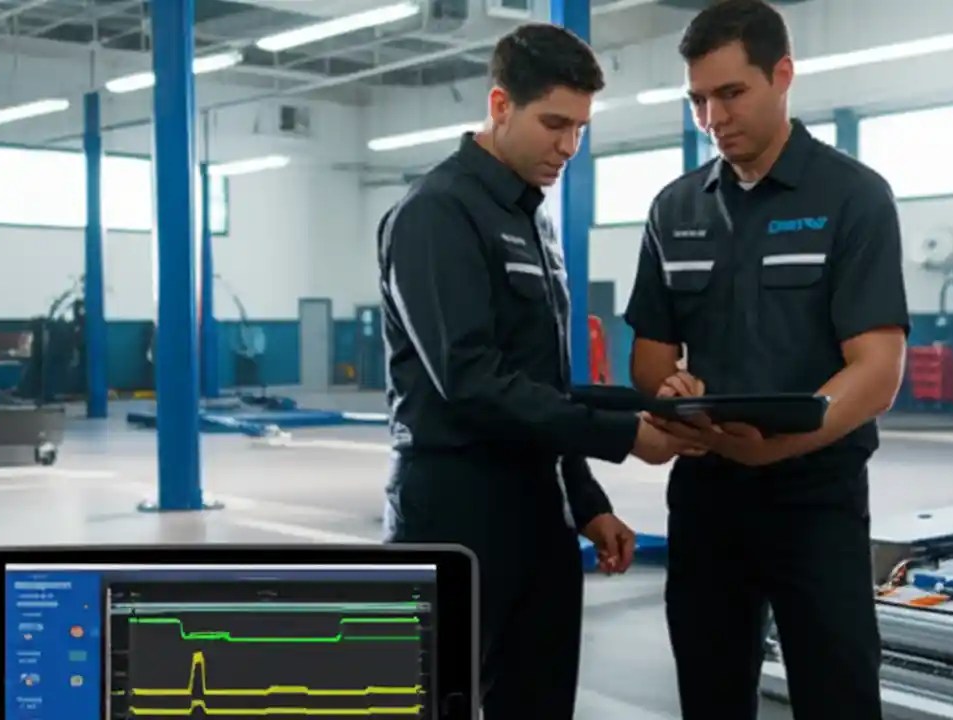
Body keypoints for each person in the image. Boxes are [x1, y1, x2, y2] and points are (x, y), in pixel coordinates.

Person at [376, 22, 693, 720]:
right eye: (554, 124)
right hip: (453, 507)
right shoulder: (437, 214)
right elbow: (471, 380)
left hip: (536, 510)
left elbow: (541, 385)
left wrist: (586, 502)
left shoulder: (534, 222)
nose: (568, 147)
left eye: (580, 129)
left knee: (539, 700)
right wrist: (622, 435)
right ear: (499, 105)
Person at [623, 1, 910, 718]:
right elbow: (650, 359)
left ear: (782, 76)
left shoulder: (854, 199)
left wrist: (777, 449)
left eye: (731, 93)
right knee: (710, 694)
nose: (713, 117)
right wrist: (671, 389)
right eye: (697, 100)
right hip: (706, 499)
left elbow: (877, 371)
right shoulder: (673, 209)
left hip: (816, 499)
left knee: (836, 691)